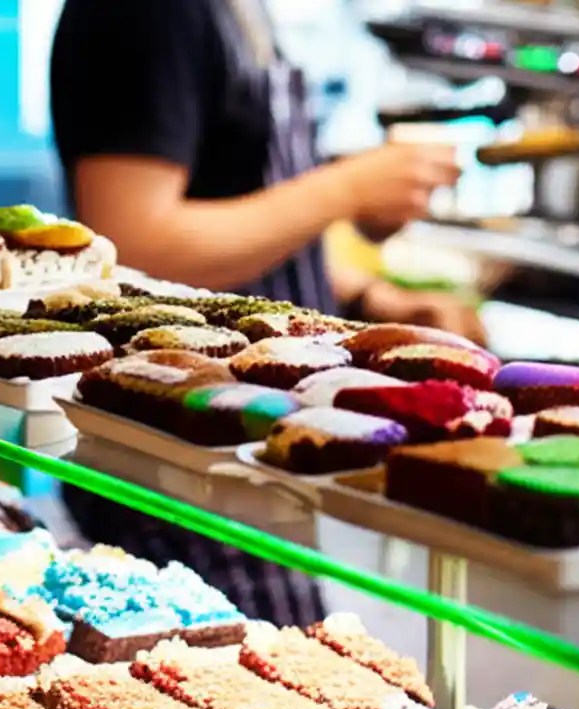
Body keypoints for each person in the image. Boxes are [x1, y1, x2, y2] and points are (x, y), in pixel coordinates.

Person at [50, 0, 471, 626]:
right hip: (181, 466)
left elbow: (240, 201)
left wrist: (365, 300)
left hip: (247, 451)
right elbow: (135, 239)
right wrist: (345, 188)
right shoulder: (147, 15)